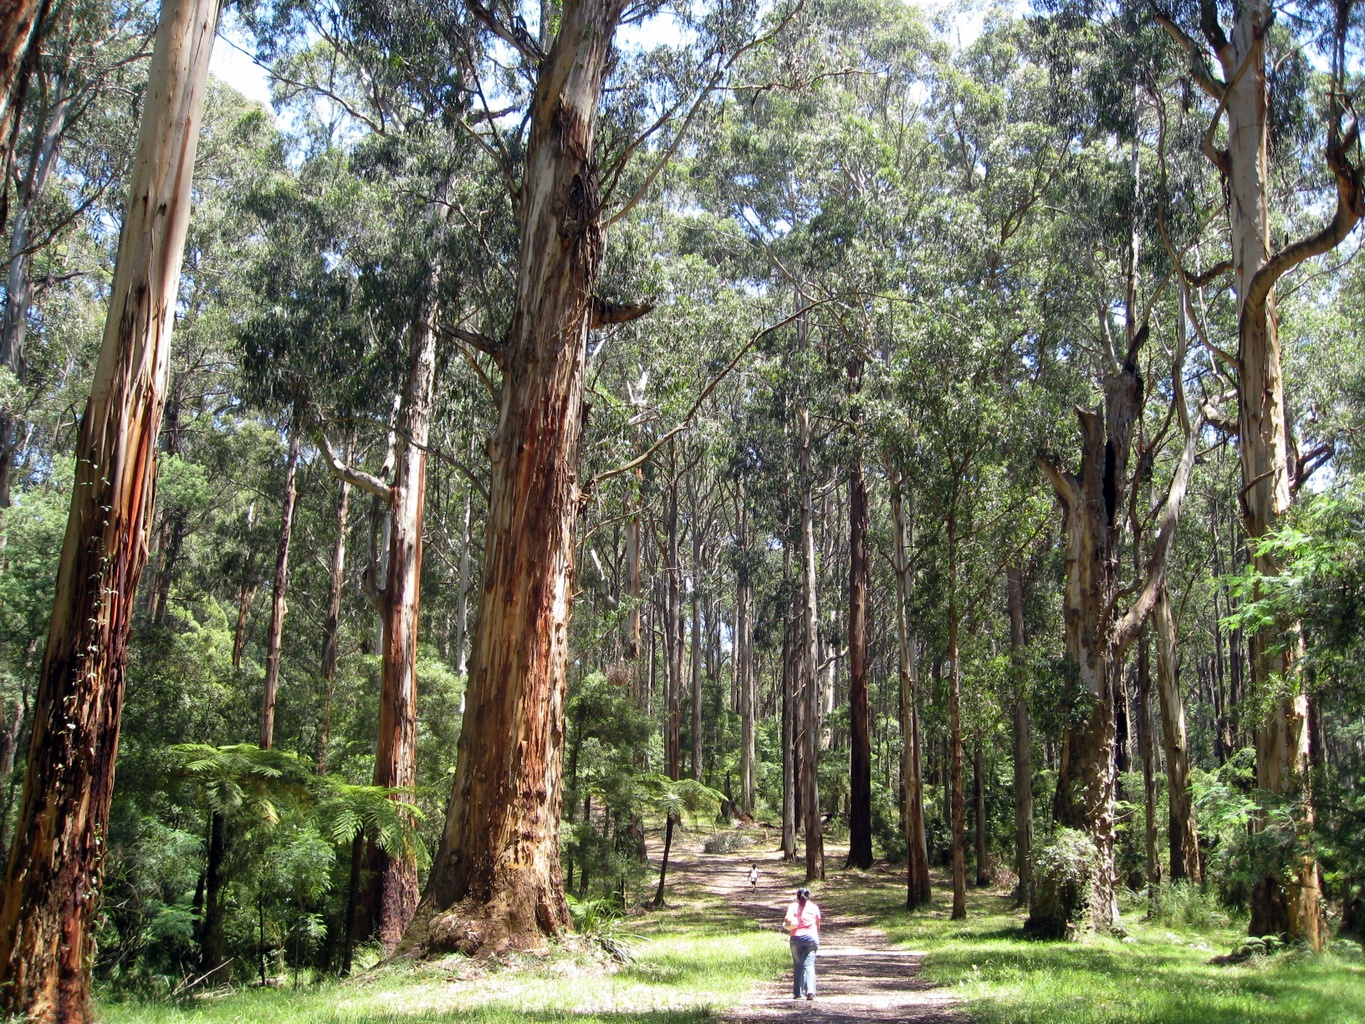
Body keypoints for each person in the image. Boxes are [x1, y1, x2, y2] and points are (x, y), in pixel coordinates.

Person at [783, 887, 821, 1001]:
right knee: (809, 965)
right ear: (809, 897)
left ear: (797, 897)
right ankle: (810, 991)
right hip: (811, 938)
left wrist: (791, 923)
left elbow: (787, 919)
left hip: (796, 938)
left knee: (798, 965)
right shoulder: (814, 907)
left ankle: (798, 993)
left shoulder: (793, 906)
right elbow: (818, 924)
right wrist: (816, 936)